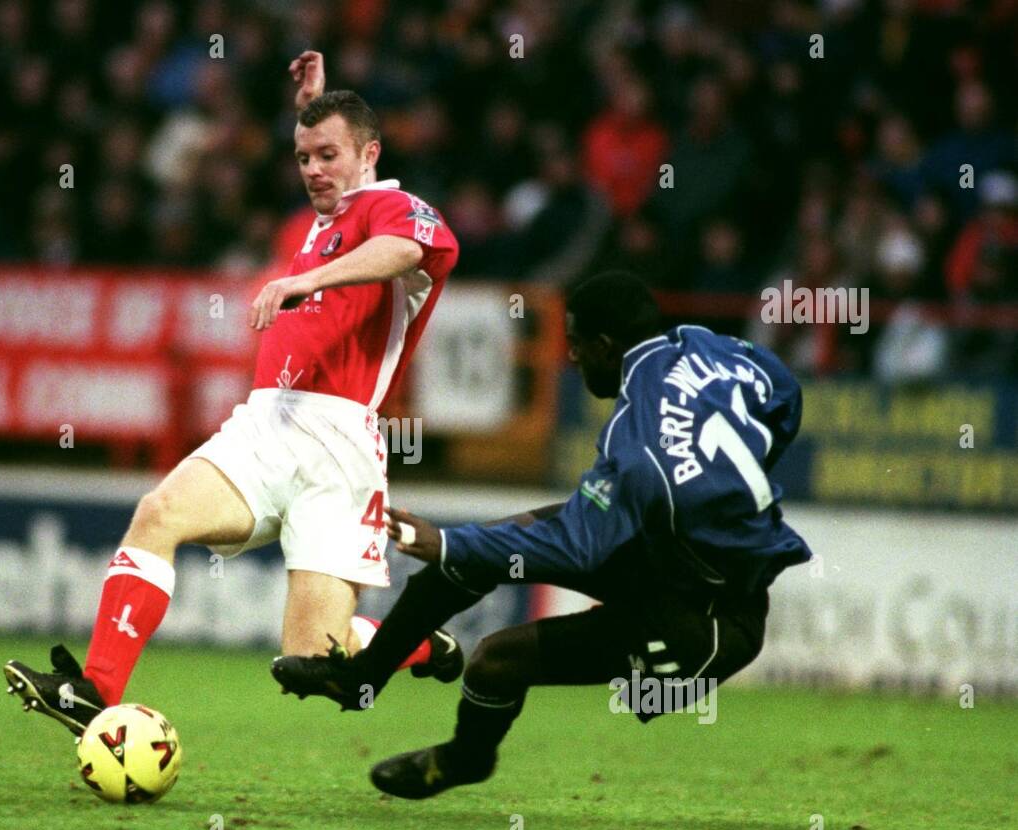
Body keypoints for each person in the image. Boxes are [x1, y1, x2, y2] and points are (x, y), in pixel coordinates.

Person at [5, 51, 462, 736]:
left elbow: (405, 251)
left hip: (337, 447)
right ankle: (94, 691)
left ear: (371, 152)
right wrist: (315, 104)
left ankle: (421, 641)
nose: (312, 169)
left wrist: (306, 281)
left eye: (328, 155)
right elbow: (330, 168)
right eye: (303, 155)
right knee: (159, 513)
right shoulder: (324, 218)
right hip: (265, 422)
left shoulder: (392, 208)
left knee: (315, 664)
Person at [271, 271, 812, 799]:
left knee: (496, 658)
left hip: (707, 624)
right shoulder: (719, 349)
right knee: (492, 545)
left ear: (604, 346)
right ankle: (363, 676)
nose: (570, 357)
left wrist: (447, 542)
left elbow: (577, 547)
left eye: (576, 345)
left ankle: (465, 760)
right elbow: (786, 395)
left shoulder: (636, 445)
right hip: (666, 557)